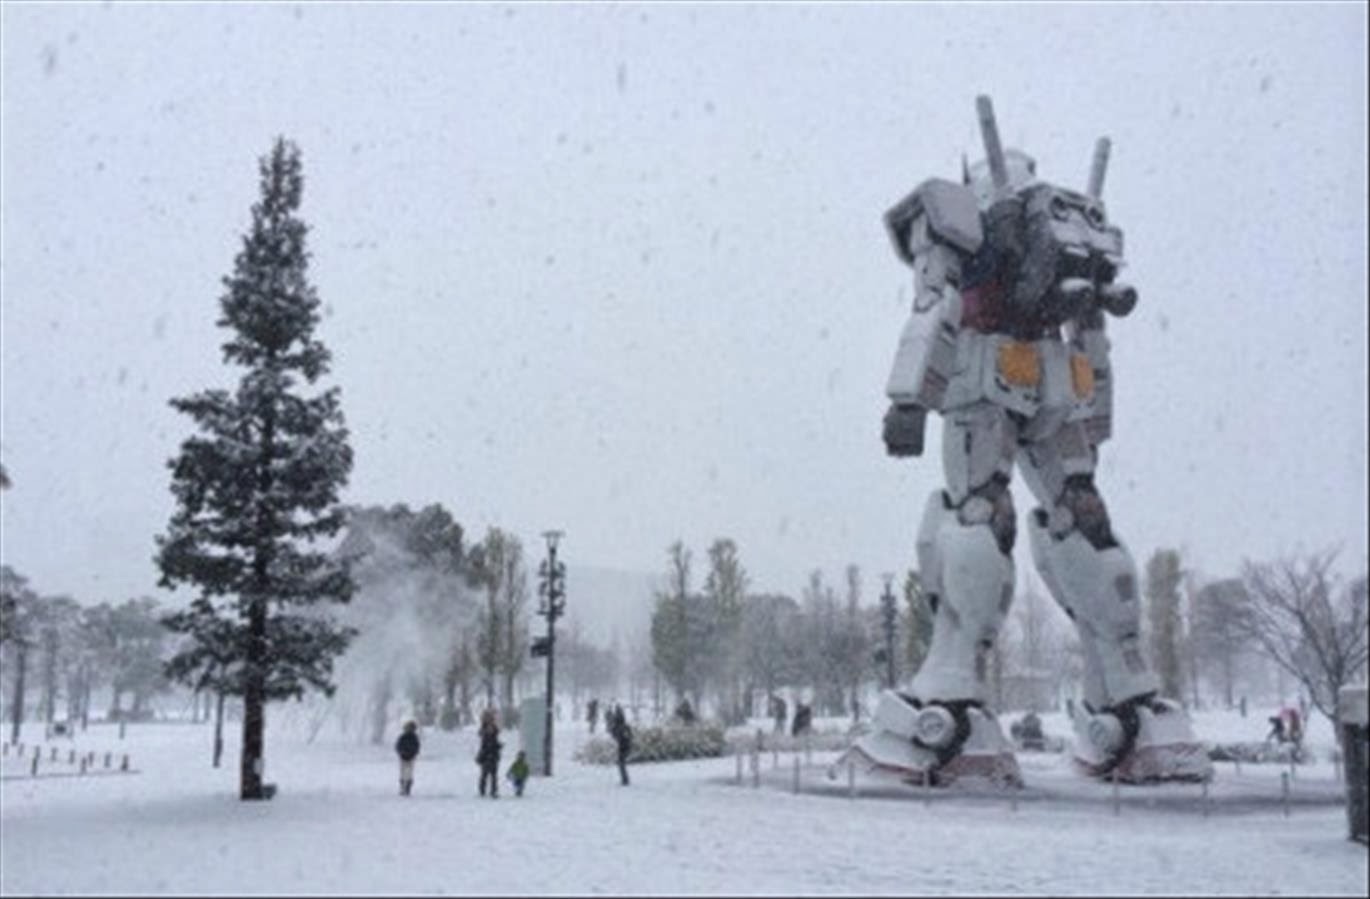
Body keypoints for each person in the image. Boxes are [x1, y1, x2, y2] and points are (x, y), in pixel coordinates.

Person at [476, 708, 502, 798]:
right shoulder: (484, 729)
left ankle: (493, 790)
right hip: (487, 754)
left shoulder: (494, 728)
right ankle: (483, 790)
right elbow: (486, 741)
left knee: (493, 774)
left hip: (492, 754)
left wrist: (497, 745)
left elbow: (494, 740)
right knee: (485, 773)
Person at [609, 703, 633, 786]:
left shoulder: (621, 726)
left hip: (623, 746)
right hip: (624, 746)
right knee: (621, 764)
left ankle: (625, 780)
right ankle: (624, 779)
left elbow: (618, 736)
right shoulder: (624, 726)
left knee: (621, 763)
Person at [394, 720, 420, 796]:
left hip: (410, 757)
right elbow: (398, 746)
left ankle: (407, 787)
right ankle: (403, 786)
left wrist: (413, 753)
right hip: (403, 757)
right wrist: (401, 752)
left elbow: (416, 747)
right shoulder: (403, 737)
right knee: (403, 773)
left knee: (408, 773)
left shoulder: (414, 738)